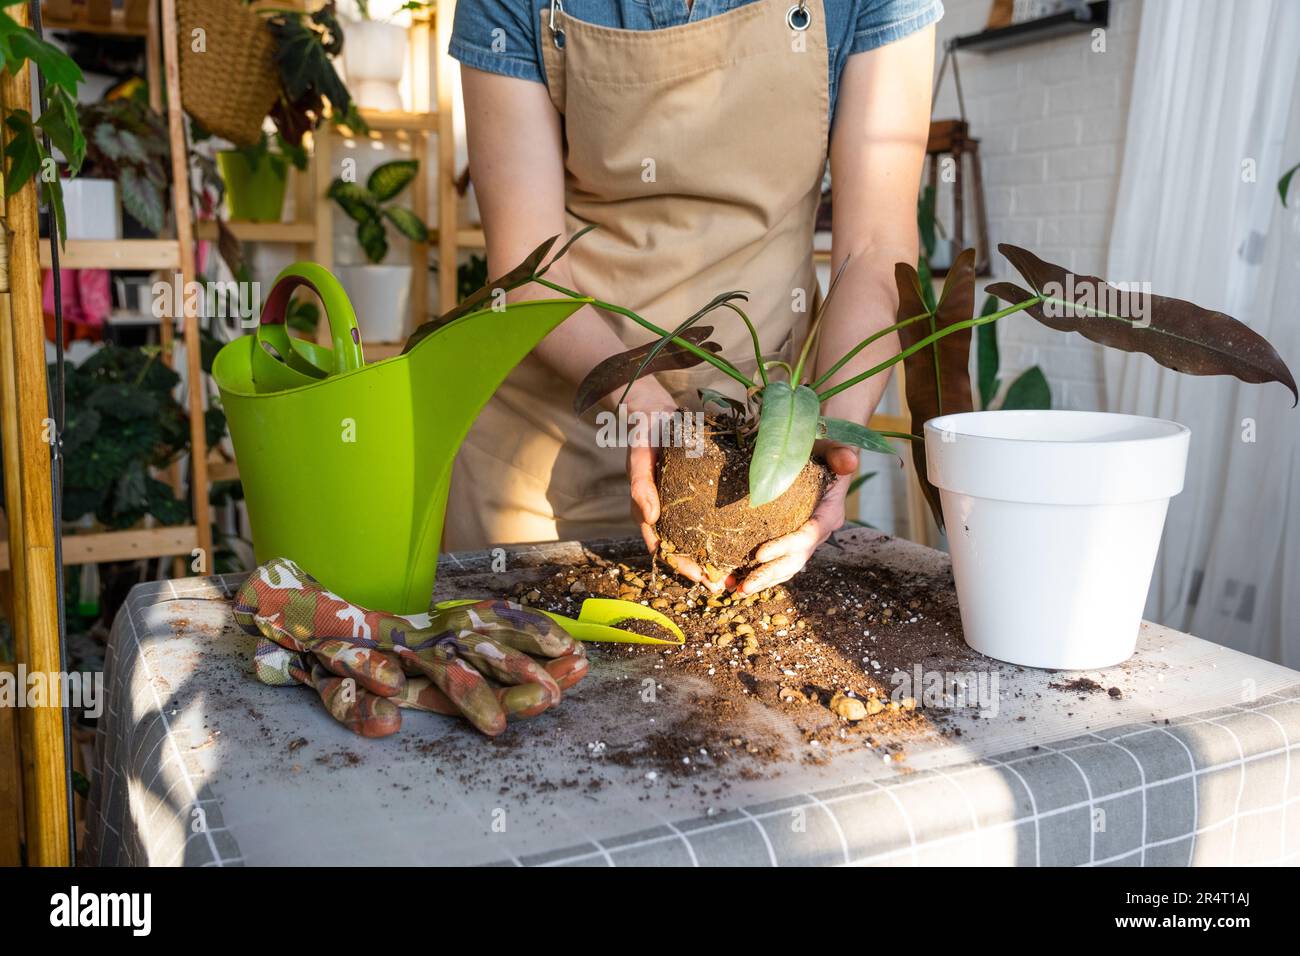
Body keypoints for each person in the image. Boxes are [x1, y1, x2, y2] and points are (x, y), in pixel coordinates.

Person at [444, 0, 941, 595]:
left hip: (750, 467)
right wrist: (641, 402)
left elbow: (874, 248)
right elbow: (530, 269)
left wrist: (816, 434)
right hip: (547, 448)